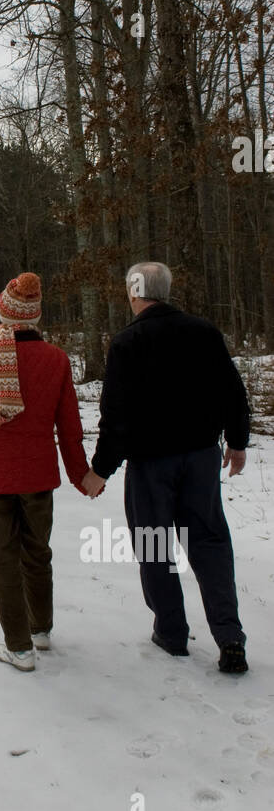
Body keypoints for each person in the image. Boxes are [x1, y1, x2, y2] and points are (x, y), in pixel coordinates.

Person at [82, 262, 251, 674]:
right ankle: (229, 636)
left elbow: (116, 417)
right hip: (201, 458)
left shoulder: (127, 342)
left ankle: (172, 632)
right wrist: (238, 441)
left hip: (152, 465)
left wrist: (99, 470)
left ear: (134, 291)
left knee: (155, 546)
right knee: (209, 543)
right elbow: (232, 390)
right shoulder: (203, 332)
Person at [0, 272, 91, 672]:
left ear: (4, 313)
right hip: (37, 472)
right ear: (36, 316)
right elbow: (69, 425)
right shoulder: (57, 359)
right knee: (37, 552)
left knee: (3, 558)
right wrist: (80, 474)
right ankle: (40, 629)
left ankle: (18, 647)